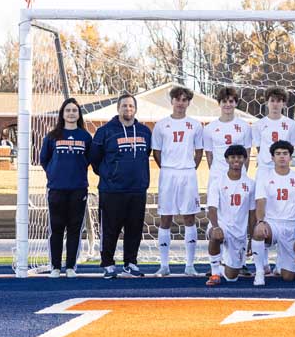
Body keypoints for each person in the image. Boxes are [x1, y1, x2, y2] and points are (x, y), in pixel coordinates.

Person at [90, 93, 152, 279]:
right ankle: (108, 265)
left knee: (134, 229)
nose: (128, 109)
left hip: (137, 189)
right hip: (112, 190)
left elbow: (146, 153)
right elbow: (94, 159)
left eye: (131, 106)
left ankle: (130, 263)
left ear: (135, 109)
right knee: (110, 229)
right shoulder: (105, 131)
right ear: (118, 108)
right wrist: (111, 174)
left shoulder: (144, 131)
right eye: (124, 106)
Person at [151, 85, 204, 277]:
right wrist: (168, 167)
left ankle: (190, 265)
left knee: (189, 217)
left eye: (184, 100)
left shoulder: (196, 125)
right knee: (166, 217)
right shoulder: (161, 124)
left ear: (189, 103)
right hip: (168, 174)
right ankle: (164, 265)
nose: (181, 103)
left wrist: (190, 167)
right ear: (172, 101)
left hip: (187, 174)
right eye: (178, 99)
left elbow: (199, 151)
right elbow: (156, 152)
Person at [39, 97, 92, 278]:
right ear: (62, 113)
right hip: (57, 188)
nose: (71, 113)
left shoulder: (85, 136)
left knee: (75, 228)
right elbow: (44, 159)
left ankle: (70, 266)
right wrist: (54, 174)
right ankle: (55, 266)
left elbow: (90, 159)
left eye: (74, 111)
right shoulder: (52, 136)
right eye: (68, 110)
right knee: (57, 228)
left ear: (79, 114)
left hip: (78, 188)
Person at [250, 140, 295, 286]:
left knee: (288, 277)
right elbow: (260, 202)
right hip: (272, 224)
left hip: (291, 226)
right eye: (278, 154)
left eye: (285, 154)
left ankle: (281, 264)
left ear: (290, 157)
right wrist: (261, 221)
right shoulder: (264, 177)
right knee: (258, 231)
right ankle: (259, 272)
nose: (281, 157)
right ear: (272, 158)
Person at [205, 145, 255, 286]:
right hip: (222, 224)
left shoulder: (250, 184)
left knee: (232, 277)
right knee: (216, 236)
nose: (236, 160)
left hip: (238, 232)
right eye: (233, 157)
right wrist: (215, 226)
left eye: (239, 157)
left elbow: (252, 213)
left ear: (245, 160)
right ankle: (215, 272)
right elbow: (212, 208)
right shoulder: (218, 182)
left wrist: (251, 238)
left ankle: (222, 267)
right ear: (227, 160)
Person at [203, 86, 252, 198]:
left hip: (239, 174)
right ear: (219, 103)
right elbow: (209, 155)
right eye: (224, 101)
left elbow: (247, 154)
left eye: (231, 101)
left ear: (236, 103)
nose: (227, 104)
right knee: (216, 209)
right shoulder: (209, 128)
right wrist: (217, 170)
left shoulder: (245, 127)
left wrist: (242, 171)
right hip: (217, 174)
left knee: (239, 209)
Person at [252, 87, 295, 179]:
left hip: (282, 169)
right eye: (272, 101)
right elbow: (259, 148)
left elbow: (291, 147)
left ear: (284, 104)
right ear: (266, 103)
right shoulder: (258, 124)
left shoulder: (291, 124)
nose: (275, 104)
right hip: (264, 168)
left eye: (278, 101)